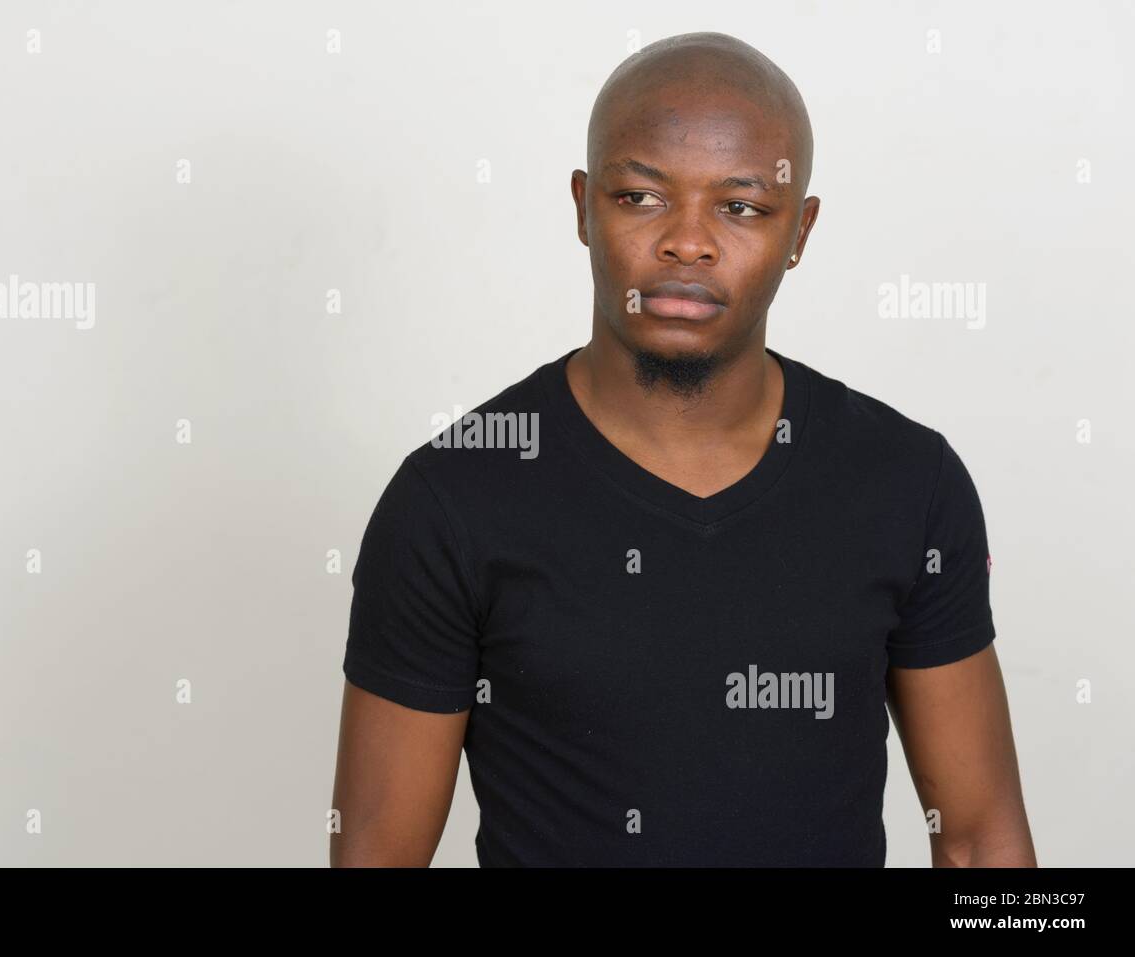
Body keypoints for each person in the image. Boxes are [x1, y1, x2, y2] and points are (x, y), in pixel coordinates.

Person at [330, 31, 1035, 867]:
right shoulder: (450, 499)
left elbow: (980, 839)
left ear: (800, 230)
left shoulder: (908, 483)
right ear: (583, 207)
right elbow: (377, 855)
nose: (688, 243)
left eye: (740, 207)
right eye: (640, 197)